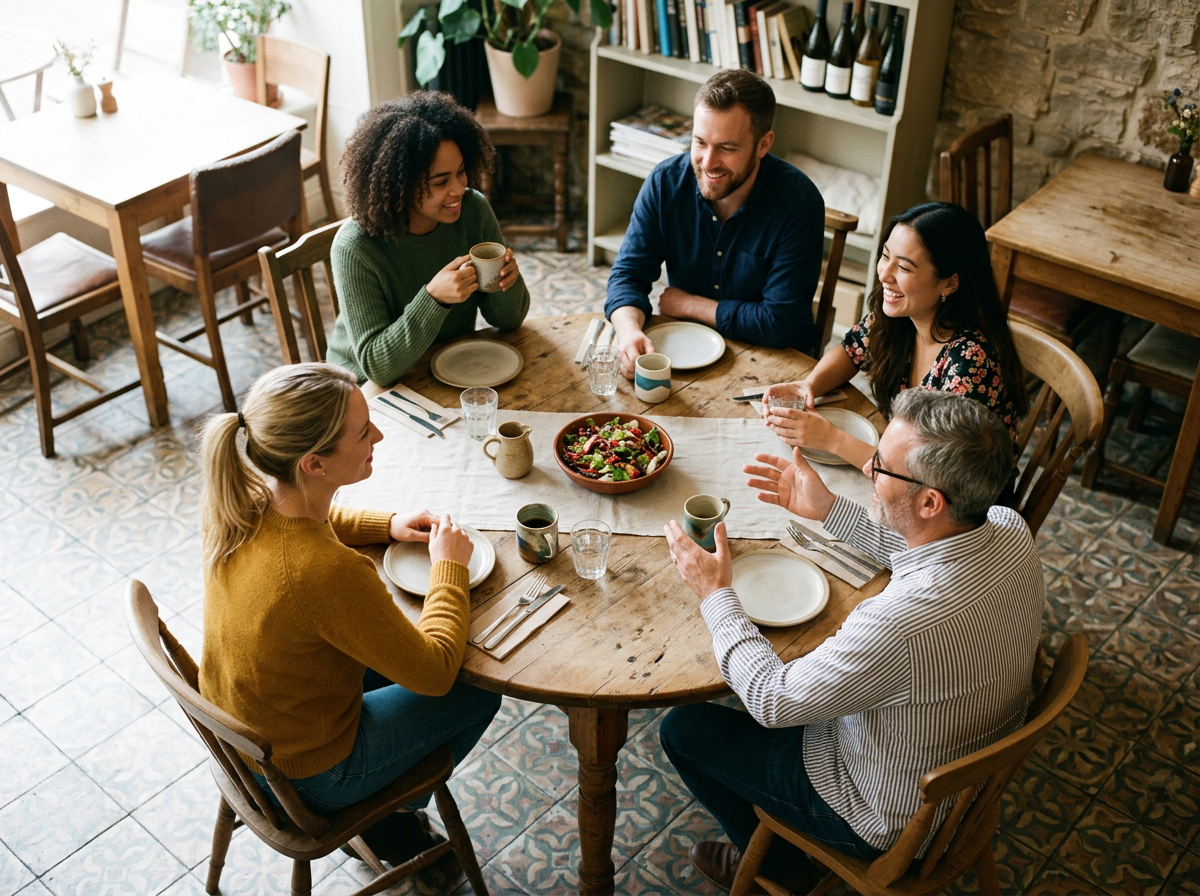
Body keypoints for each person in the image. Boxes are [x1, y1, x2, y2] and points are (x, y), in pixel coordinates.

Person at [659, 389, 1044, 892]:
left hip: (879, 814)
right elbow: (919, 545)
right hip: (964, 773)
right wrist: (829, 510)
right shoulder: (1008, 527)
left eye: (882, 467)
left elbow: (771, 701)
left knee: (684, 729)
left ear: (931, 501)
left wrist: (715, 594)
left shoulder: (900, 624)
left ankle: (781, 868)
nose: (868, 471)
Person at [198, 363, 500, 864]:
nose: (378, 435)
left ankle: (391, 813)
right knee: (479, 688)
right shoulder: (325, 572)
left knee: (386, 650)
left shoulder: (243, 502)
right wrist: (449, 567)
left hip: (249, 738)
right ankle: (390, 819)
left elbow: (317, 522)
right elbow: (435, 672)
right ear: (314, 464)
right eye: (363, 433)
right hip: (312, 776)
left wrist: (388, 524)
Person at [763, 202, 1028, 469]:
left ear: (950, 282)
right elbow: (852, 350)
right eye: (886, 256)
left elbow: (926, 475)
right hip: (899, 461)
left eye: (904, 267)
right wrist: (808, 385)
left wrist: (832, 439)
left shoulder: (972, 360)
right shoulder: (900, 317)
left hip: (956, 494)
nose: (884, 275)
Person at [604, 69, 825, 379]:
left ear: (763, 145)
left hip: (773, 365)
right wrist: (628, 332)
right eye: (700, 142)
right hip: (684, 351)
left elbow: (780, 324)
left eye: (727, 148)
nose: (708, 162)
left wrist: (689, 304)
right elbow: (628, 275)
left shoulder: (800, 204)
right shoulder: (665, 183)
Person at [327, 92, 530, 386]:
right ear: (400, 185)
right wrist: (433, 298)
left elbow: (509, 322)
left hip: (446, 367)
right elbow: (378, 369)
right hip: (363, 391)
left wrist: (506, 282)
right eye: (440, 182)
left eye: (461, 172)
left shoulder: (472, 210)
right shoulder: (355, 247)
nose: (460, 188)